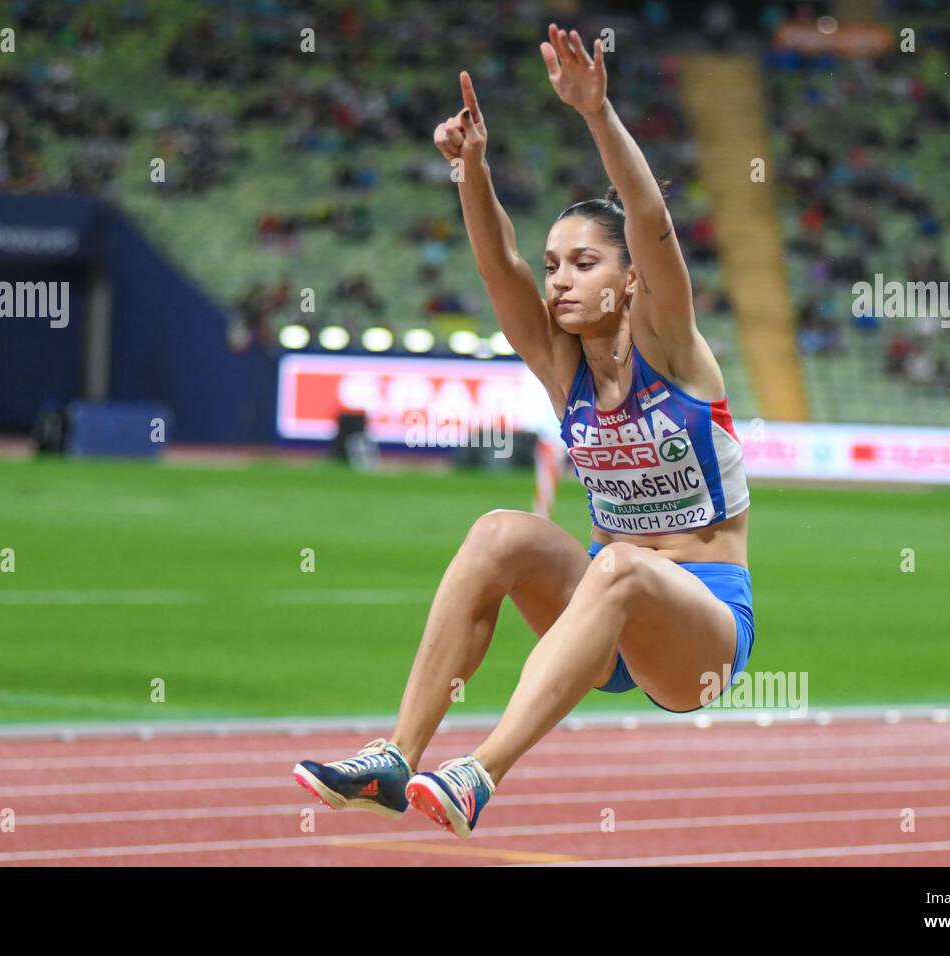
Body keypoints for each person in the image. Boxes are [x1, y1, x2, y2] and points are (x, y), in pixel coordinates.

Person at [294, 24, 754, 839]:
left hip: (700, 633)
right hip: (598, 618)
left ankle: (482, 773)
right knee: (499, 532)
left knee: (617, 566)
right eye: (554, 265)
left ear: (631, 280)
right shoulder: (559, 362)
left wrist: (597, 113)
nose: (560, 280)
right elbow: (495, 265)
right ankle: (397, 757)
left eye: (583, 263)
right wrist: (469, 172)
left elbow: (649, 217)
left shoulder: (675, 351)